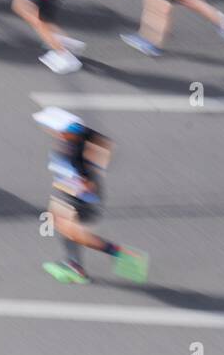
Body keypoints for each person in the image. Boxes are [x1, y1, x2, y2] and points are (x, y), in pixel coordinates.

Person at [33, 106, 148, 285]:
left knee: (74, 232)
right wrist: (97, 168)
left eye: (53, 128)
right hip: (76, 194)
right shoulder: (82, 134)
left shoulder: (72, 154)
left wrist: (76, 182)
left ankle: (119, 256)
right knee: (62, 223)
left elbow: (85, 185)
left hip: (81, 199)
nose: (49, 130)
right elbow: (106, 145)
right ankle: (74, 264)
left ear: (63, 132)